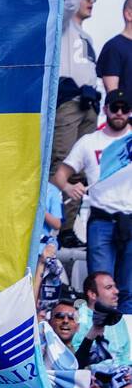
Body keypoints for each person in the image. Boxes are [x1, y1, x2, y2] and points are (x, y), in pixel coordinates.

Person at [54, 90, 132, 314]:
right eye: (114, 108)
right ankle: (97, 339)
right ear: (105, 109)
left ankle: (126, 343)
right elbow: (60, 173)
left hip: (130, 218)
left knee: (128, 288)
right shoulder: (89, 142)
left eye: (124, 109)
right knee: (99, 288)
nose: (119, 113)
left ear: (130, 112)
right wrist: (69, 187)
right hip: (101, 220)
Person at [54, 0, 108, 242]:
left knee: (80, 166)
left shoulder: (87, 37)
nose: (91, 2)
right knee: (60, 160)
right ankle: (53, 221)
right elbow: (70, 1)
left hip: (89, 105)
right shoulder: (62, 26)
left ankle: (67, 227)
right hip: (68, 102)